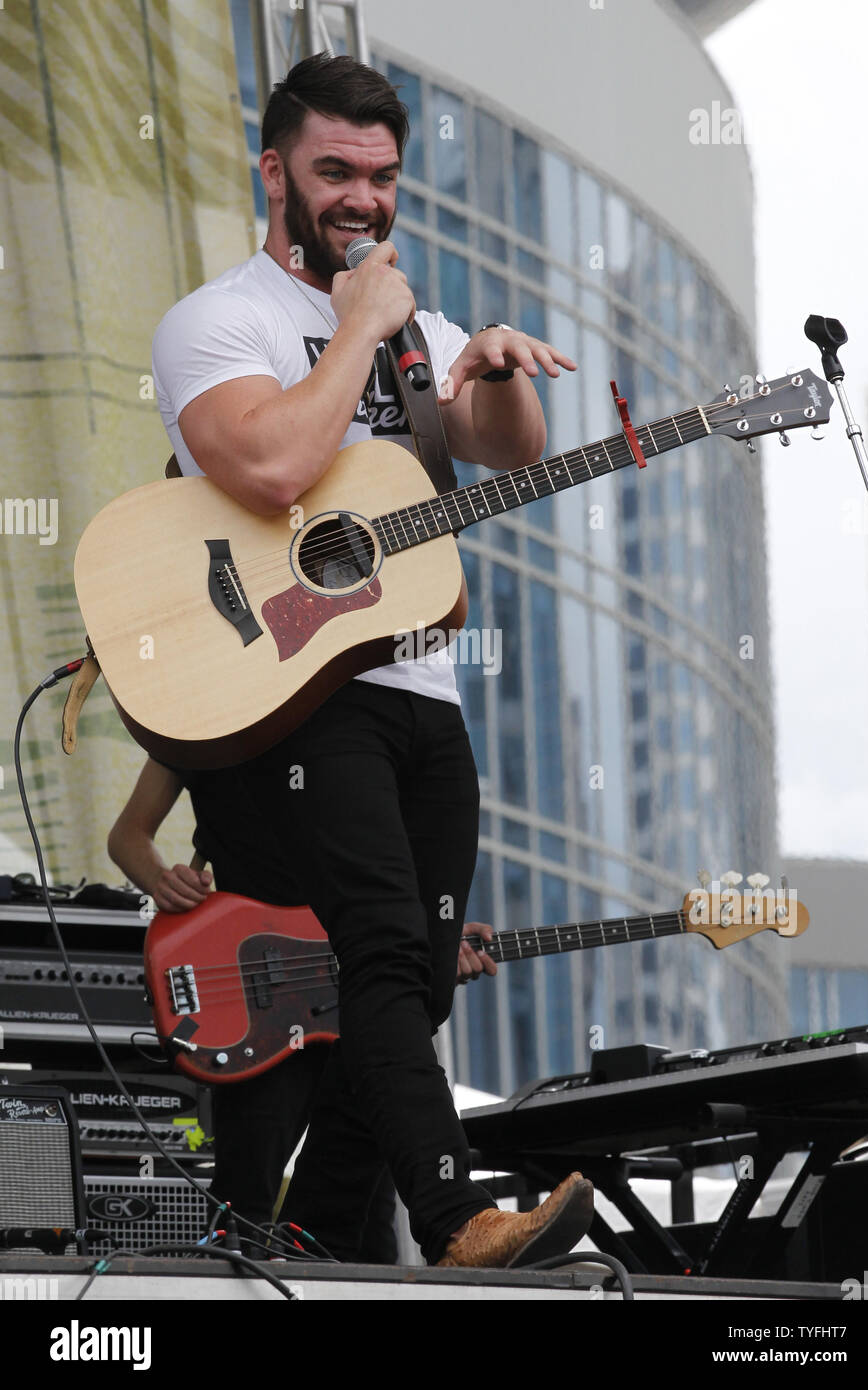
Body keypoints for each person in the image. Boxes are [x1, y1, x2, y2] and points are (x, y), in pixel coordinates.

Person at [150, 51, 594, 1268]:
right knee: (386, 953)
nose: (361, 197)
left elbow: (504, 448)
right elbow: (272, 469)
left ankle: (324, 1231)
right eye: (333, 170)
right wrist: (355, 327)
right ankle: (458, 1216)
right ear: (274, 172)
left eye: (382, 175)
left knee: (415, 983)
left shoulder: (419, 324)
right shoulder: (219, 321)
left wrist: (493, 364)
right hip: (300, 691)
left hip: (421, 692)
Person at [108, 755, 497, 1262]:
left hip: (359, 996)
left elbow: (389, 879)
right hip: (256, 993)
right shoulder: (201, 719)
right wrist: (161, 880)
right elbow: (127, 837)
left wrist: (434, 941)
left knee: (362, 1217)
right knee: (241, 1209)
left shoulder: (361, 726)